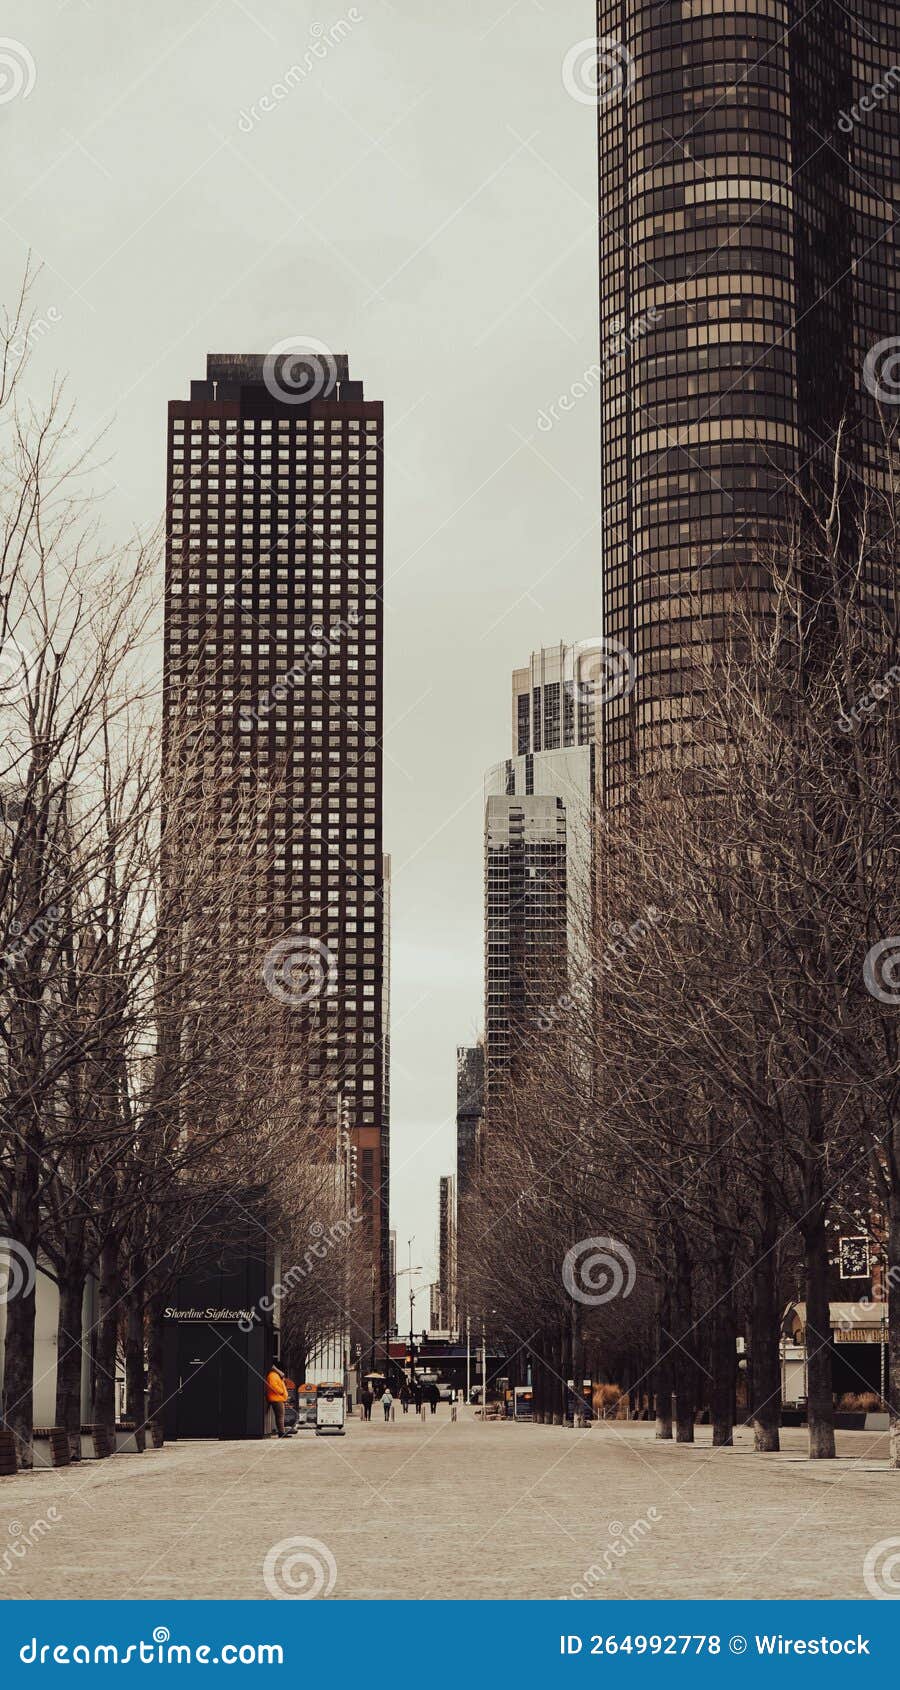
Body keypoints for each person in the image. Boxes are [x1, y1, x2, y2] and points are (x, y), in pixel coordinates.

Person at [265, 1363, 289, 1438]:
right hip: (276, 1398)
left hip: (278, 1398)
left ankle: (282, 1432)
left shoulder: (276, 1375)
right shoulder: (273, 1375)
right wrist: (281, 1392)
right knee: (280, 1416)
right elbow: (273, 1386)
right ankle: (281, 1433)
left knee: (280, 1416)